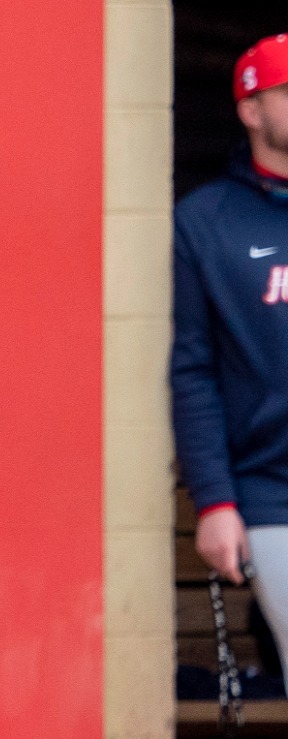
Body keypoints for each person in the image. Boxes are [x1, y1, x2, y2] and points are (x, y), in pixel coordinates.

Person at [172, 32, 288, 669]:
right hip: (272, 497)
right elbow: (193, 370)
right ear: (251, 109)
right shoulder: (204, 221)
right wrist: (215, 502)